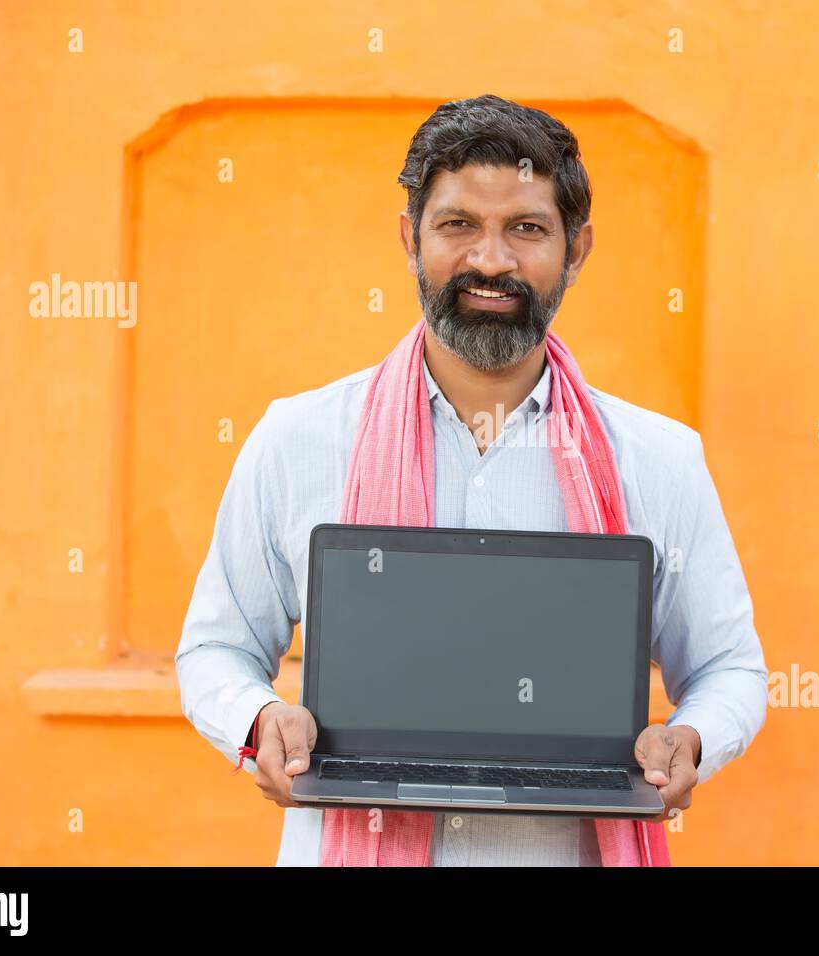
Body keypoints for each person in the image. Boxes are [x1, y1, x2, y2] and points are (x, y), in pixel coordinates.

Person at [175, 93, 768, 866]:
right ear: (409, 238)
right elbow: (215, 648)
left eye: (526, 228)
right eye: (458, 225)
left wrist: (692, 738)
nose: (491, 261)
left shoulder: (658, 459)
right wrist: (258, 720)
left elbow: (728, 668)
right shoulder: (299, 439)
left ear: (578, 249)